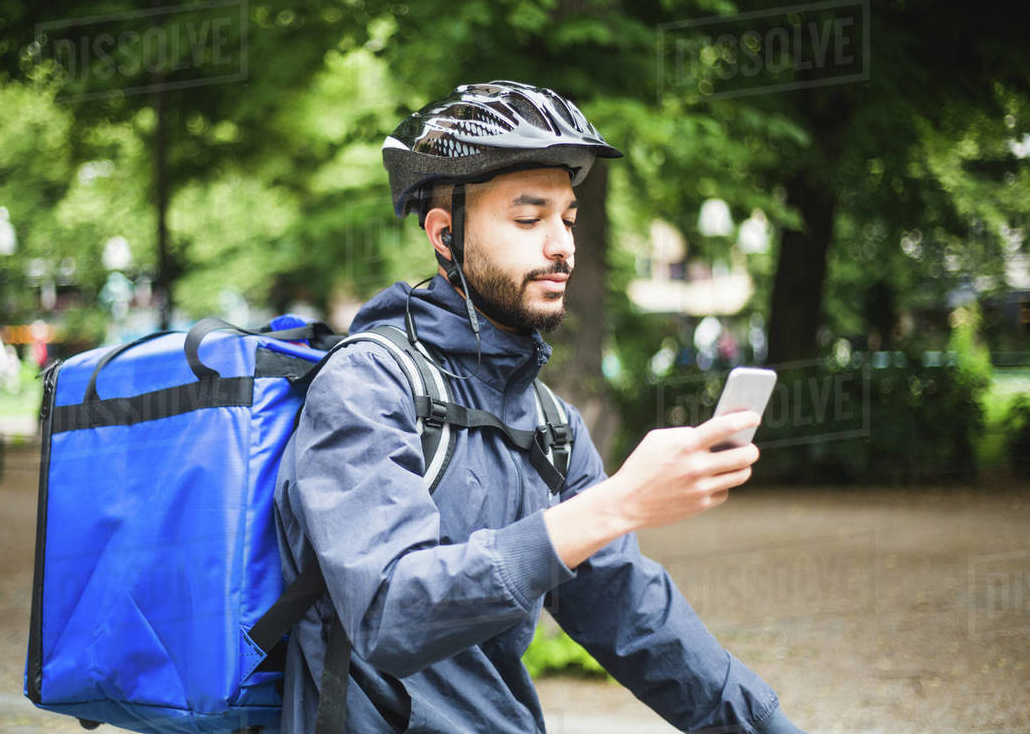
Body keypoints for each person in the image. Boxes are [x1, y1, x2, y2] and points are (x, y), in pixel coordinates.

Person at [274, 81, 805, 733]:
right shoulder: (368, 382)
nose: (562, 246)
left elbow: (630, 614)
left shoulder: (553, 427)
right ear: (446, 236)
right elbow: (390, 613)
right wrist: (615, 504)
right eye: (530, 219)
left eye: (569, 218)